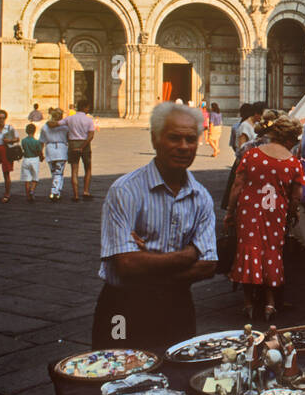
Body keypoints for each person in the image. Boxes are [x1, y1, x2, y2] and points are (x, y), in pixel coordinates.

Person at [92, 103, 217, 352]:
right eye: (174, 138)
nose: (183, 146)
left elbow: (208, 265)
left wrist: (144, 261)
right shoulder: (125, 191)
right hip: (123, 309)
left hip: (177, 308)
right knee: (117, 371)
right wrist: (188, 253)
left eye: (190, 139)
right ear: (154, 139)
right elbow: (126, 265)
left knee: (177, 374)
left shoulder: (201, 197)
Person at [224, 109, 304, 322]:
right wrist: (292, 213)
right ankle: (269, 304)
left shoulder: (252, 154)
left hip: (248, 210)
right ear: (287, 138)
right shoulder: (293, 162)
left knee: (248, 251)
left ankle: (249, 304)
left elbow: (237, 185)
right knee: (271, 252)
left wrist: (230, 212)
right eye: (294, 139)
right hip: (275, 213)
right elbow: (296, 196)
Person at [64, 100, 96, 200]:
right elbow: (91, 136)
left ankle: (76, 195)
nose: (89, 109)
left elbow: (63, 129)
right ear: (85, 108)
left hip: (73, 145)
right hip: (85, 146)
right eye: (88, 107)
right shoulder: (89, 120)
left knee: (74, 171)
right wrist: (82, 146)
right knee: (88, 169)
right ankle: (86, 192)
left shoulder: (70, 118)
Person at [41, 108, 69, 201]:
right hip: (61, 150)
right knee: (59, 172)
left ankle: (57, 189)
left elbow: (41, 141)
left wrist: (40, 152)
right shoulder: (65, 127)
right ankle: (55, 192)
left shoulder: (45, 127)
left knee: (54, 172)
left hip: (50, 149)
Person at [0, 110, 17, 204]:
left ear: (5, 118)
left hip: (6, 150)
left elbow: (17, 139)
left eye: (3, 118)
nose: (1, 120)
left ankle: (7, 194)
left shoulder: (9, 128)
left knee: (6, 173)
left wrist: (9, 141)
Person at [20, 123, 43, 201]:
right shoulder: (36, 142)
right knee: (35, 178)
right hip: (34, 159)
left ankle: (28, 196)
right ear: (34, 131)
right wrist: (42, 157)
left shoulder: (23, 141)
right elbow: (39, 151)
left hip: (26, 159)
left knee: (27, 179)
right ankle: (32, 190)